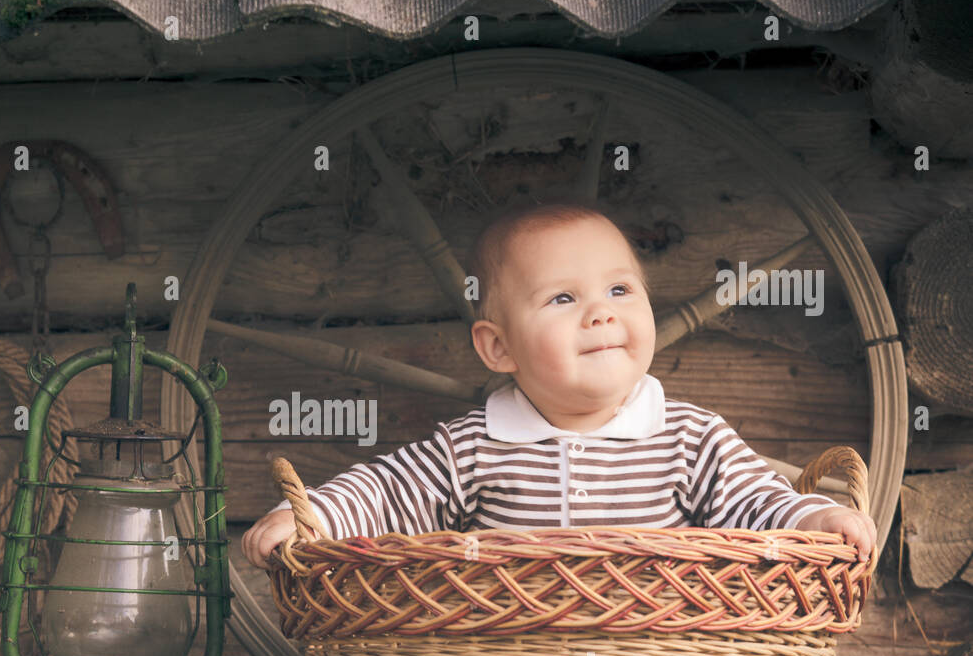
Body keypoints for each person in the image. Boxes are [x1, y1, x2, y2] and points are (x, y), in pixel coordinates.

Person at [242, 201, 877, 568]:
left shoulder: (689, 437)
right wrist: (310, 516)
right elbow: (386, 490)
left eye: (620, 290)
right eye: (563, 297)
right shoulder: (474, 446)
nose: (600, 313)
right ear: (498, 347)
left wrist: (815, 515)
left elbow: (754, 500)